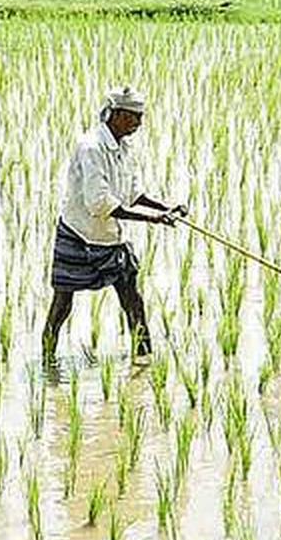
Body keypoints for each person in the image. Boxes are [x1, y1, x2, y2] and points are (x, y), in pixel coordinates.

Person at [43, 87, 187, 367]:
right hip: (79, 233)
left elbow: (133, 194)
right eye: (134, 117)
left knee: (132, 297)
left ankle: (144, 357)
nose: (139, 124)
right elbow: (99, 203)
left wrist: (165, 208)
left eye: (140, 117)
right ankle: (47, 359)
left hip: (111, 237)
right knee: (62, 302)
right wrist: (154, 220)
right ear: (116, 115)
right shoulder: (91, 147)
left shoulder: (123, 148)